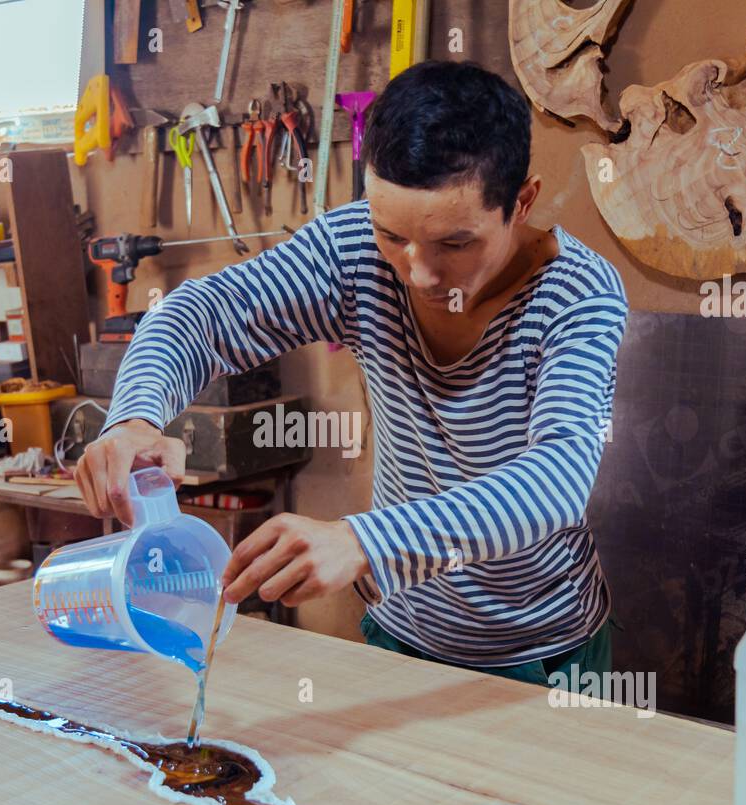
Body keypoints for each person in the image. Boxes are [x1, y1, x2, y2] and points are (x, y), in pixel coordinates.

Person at [74, 60, 628, 689]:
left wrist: (364, 542)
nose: (417, 273)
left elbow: (555, 481)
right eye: (393, 234)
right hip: (400, 633)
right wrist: (136, 417)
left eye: (455, 243)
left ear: (521, 202)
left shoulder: (578, 294)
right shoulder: (354, 250)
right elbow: (195, 316)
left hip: (542, 651)